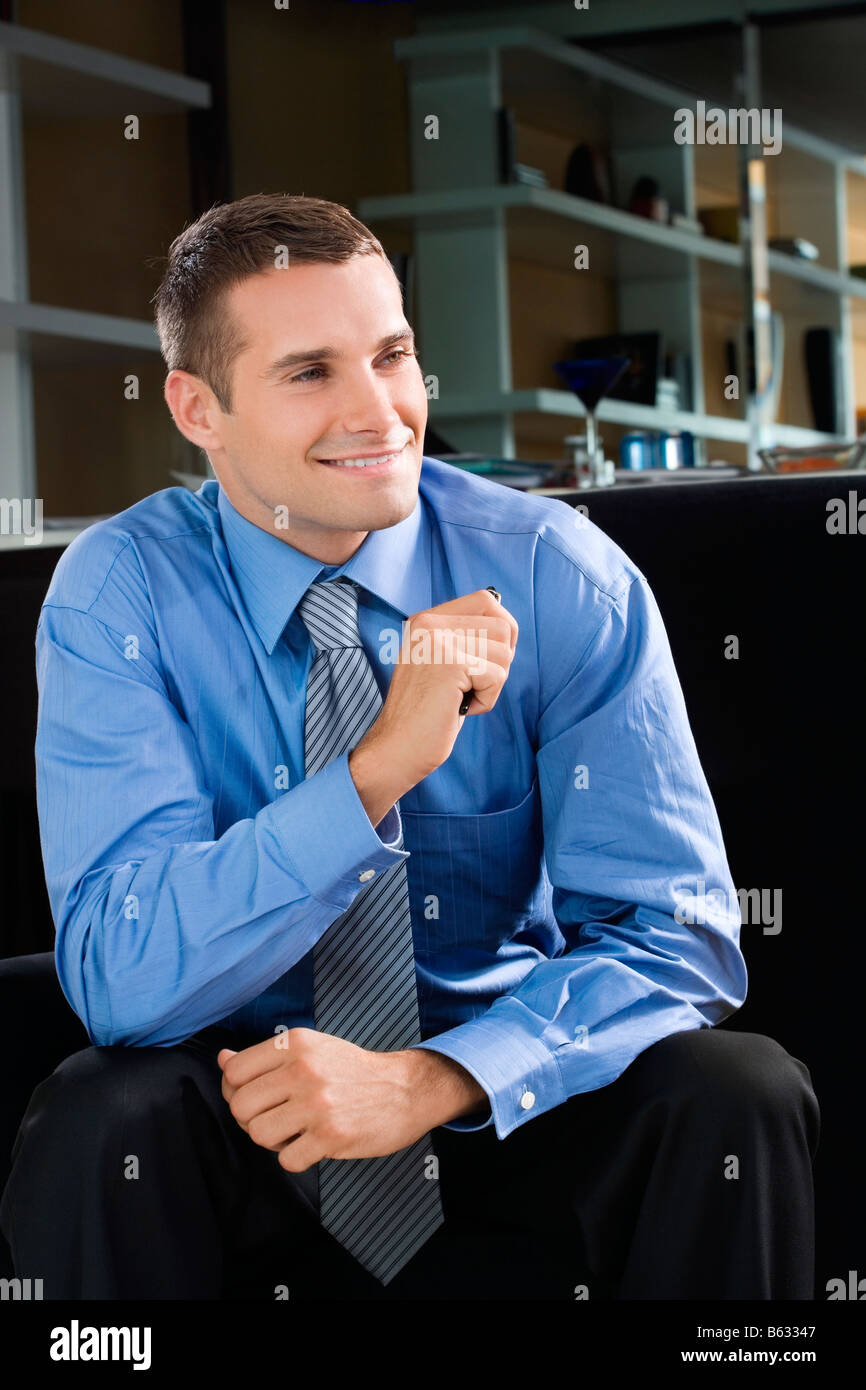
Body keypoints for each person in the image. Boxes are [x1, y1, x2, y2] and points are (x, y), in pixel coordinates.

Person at [0, 193, 819, 1301]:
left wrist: (436, 1079)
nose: (379, 410)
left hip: (508, 1103)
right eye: (309, 373)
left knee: (736, 1090)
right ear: (199, 408)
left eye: (391, 356)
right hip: (249, 1115)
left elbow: (675, 936)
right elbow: (120, 981)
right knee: (104, 1115)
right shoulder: (120, 591)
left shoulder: (555, 572)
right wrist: (375, 769)